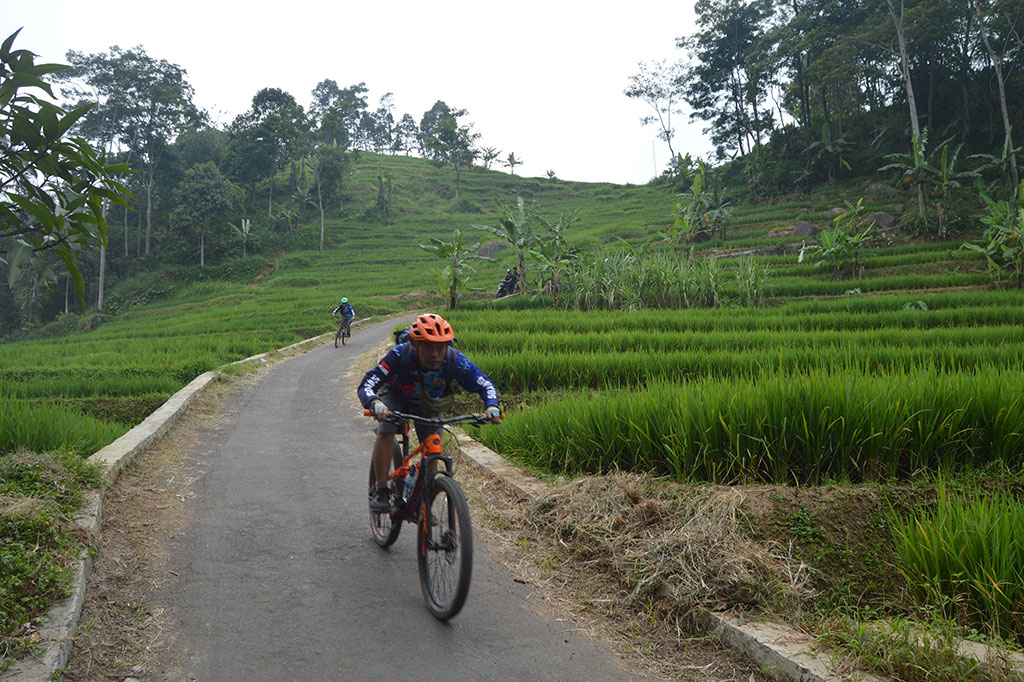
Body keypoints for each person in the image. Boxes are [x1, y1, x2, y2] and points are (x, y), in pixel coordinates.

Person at [358, 313, 501, 512]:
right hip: (396, 394)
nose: (435, 354)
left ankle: (423, 501)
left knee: (434, 447)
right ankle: (381, 489)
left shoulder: (454, 360)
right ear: (415, 345)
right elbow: (369, 382)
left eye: (440, 347)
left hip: (428, 403)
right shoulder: (399, 355)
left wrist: (492, 405)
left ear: (447, 346)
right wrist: (374, 402)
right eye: (428, 346)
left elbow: (483, 383)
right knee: (387, 428)